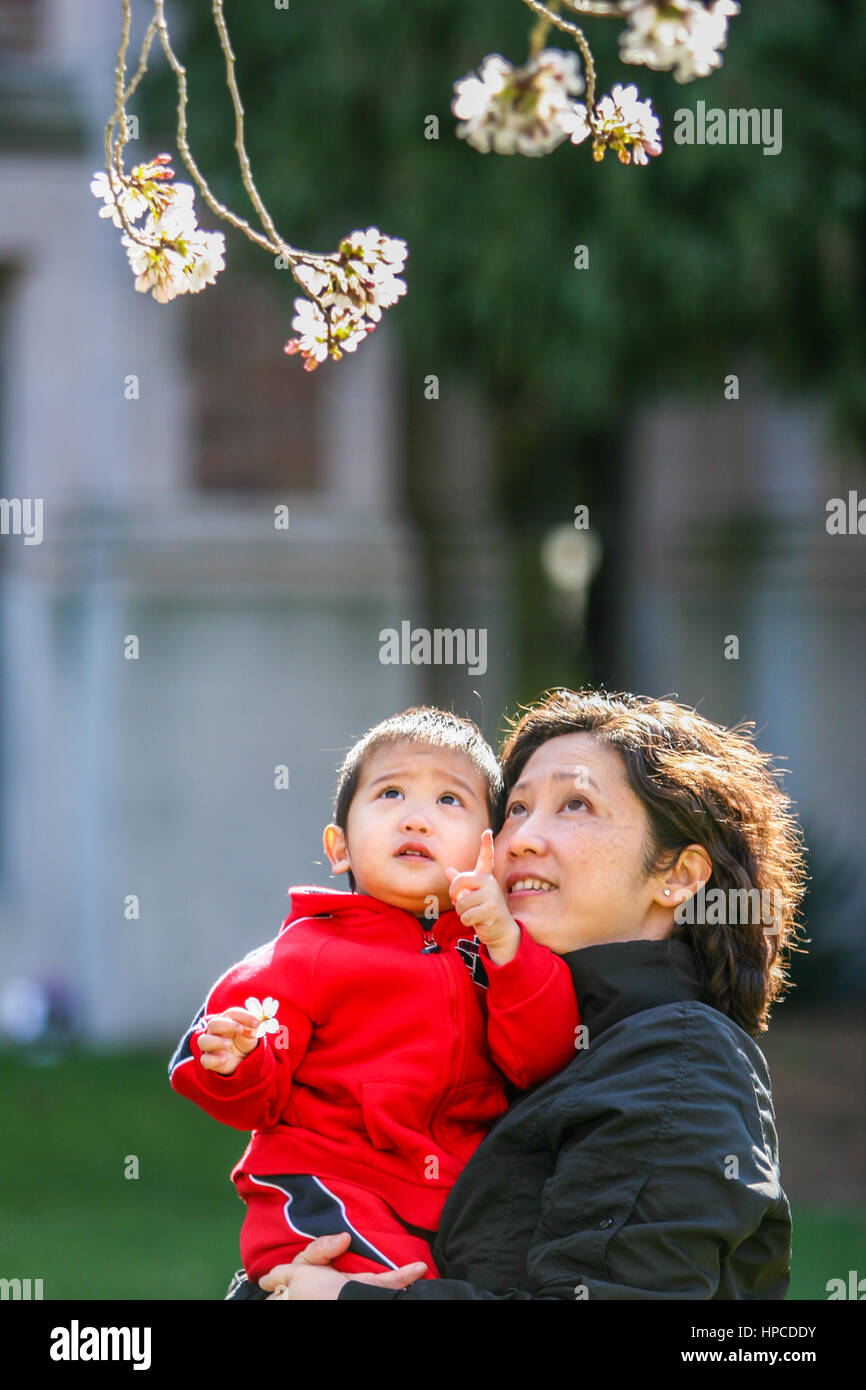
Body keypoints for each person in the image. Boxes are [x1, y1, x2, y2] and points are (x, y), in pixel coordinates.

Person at [257, 688, 806, 1301]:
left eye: (575, 805)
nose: (520, 839)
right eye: (514, 809)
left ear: (676, 876)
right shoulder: (506, 1046)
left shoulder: (680, 1058)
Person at [168, 706, 580, 1295]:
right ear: (339, 847)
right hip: (330, 1188)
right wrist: (235, 1058)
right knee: (379, 1287)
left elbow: (542, 1058)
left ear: (491, 848)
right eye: (390, 794)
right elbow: (238, 1085)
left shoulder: (496, 947)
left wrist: (508, 947)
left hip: (454, 1197)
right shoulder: (311, 948)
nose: (417, 818)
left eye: (449, 801)